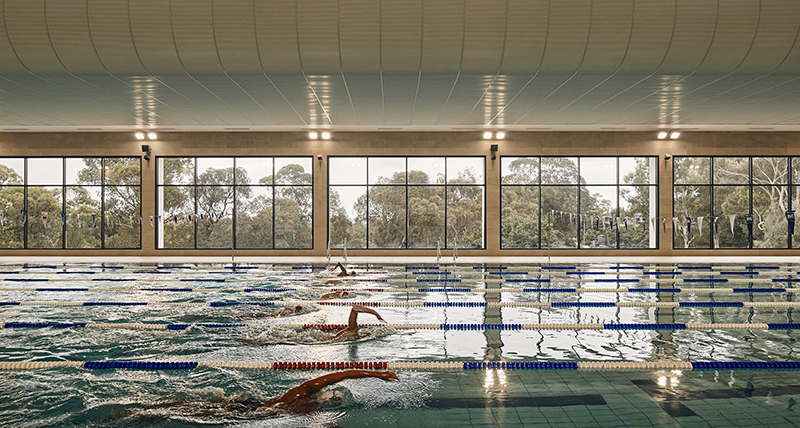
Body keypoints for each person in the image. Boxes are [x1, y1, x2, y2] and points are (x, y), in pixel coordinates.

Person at [263, 369, 399, 411]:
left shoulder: (304, 392)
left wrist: (377, 374)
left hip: (260, 406)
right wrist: (377, 374)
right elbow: (344, 374)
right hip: (261, 412)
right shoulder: (307, 399)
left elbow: (344, 374)